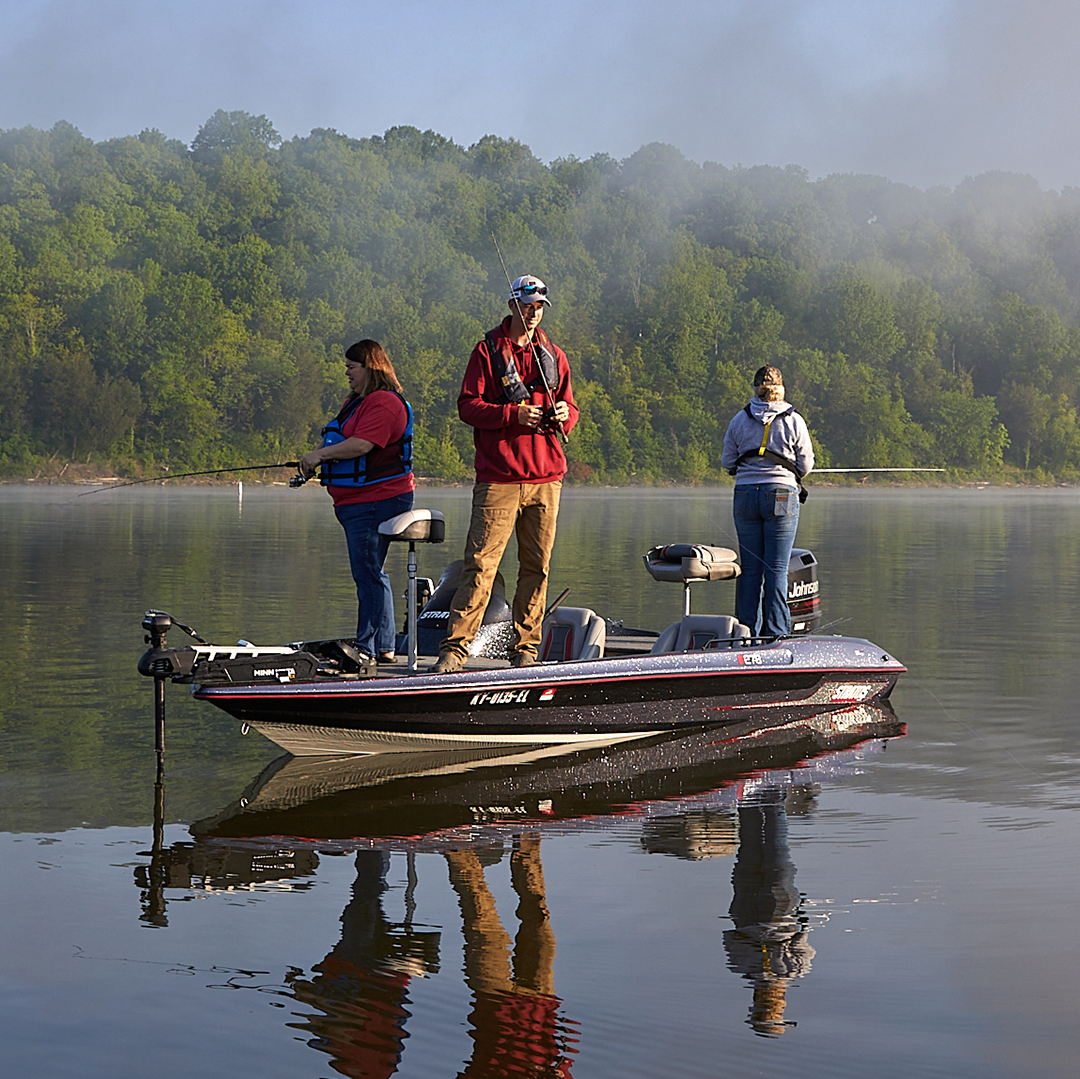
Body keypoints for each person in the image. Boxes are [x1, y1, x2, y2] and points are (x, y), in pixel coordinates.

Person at [432, 275, 578, 674]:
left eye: (540, 306)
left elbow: (571, 407)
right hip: (498, 479)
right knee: (480, 566)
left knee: (537, 567)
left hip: (546, 479)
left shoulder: (555, 354)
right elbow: (467, 406)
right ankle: (455, 650)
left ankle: (526, 648)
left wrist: (566, 414)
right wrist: (512, 414)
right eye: (528, 305)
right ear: (513, 305)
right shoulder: (486, 351)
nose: (534, 312)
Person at [298, 340, 415, 674]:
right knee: (372, 571)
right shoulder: (356, 402)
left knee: (367, 573)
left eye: (352, 367)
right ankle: (385, 647)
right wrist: (316, 460)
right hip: (356, 501)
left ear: (370, 367)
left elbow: (363, 445)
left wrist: (319, 456)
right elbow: (341, 440)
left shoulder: (384, 402)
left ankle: (366, 649)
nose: (347, 373)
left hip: (378, 499)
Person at [721, 365, 813, 639]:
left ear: (755, 389)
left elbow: (728, 461)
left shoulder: (740, 419)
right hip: (781, 495)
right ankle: (775, 635)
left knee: (750, 570)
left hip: (745, 495)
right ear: (780, 389)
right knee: (776, 569)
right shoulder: (794, 420)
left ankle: (744, 634)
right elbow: (805, 465)